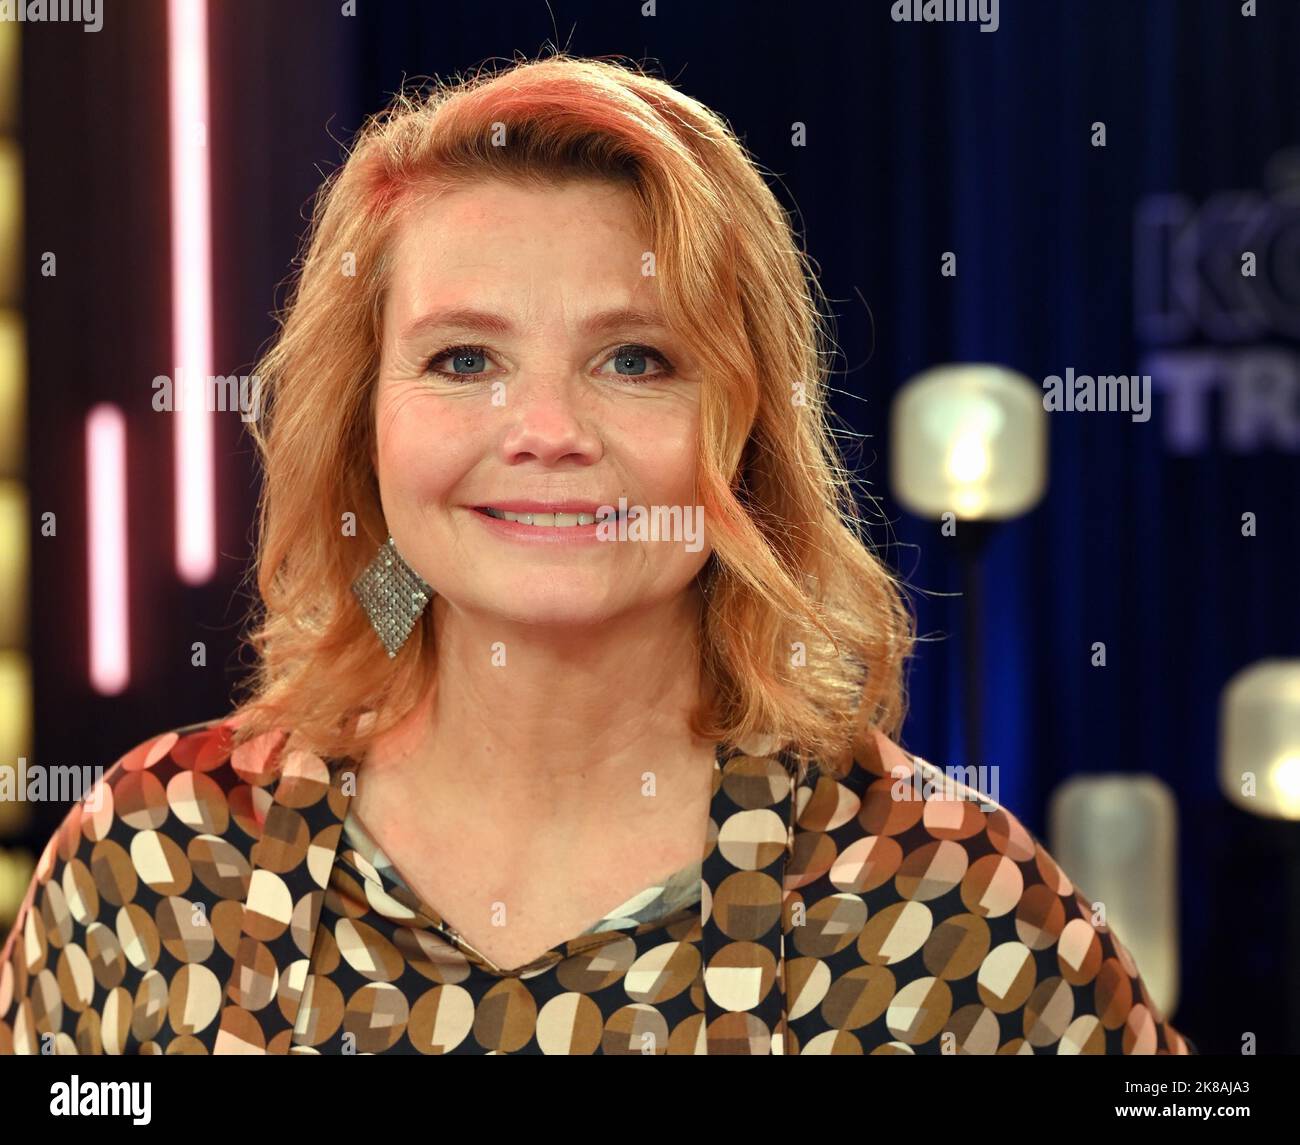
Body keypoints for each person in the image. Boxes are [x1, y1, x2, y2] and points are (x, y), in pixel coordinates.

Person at [0, 52, 1196, 1055]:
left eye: (635, 360)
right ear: (363, 429)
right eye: (464, 359)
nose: (549, 434)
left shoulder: (951, 906)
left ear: (743, 434)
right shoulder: (152, 864)